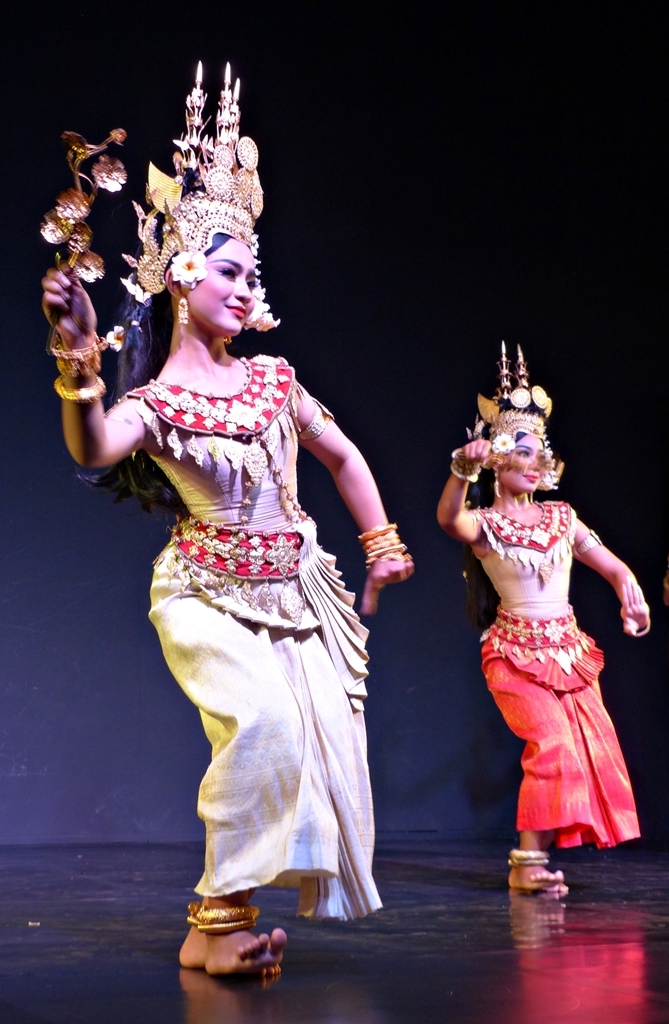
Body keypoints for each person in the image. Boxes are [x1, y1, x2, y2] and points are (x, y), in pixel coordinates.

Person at [41, 64, 413, 976]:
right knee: (264, 728)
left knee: (313, 735)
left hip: (295, 585)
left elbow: (343, 456)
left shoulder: (273, 379)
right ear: (180, 273)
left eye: (254, 272)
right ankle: (214, 922)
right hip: (204, 592)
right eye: (231, 270)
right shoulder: (161, 401)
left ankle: (222, 922)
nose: (248, 288)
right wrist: (81, 365)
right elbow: (94, 448)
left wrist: (380, 543)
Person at [436, 343, 648, 894]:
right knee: (552, 742)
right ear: (498, 459)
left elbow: (608, 563)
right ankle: (527, 864)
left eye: (540, 452)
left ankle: (539, 858)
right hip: (513, 655)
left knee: (585, 749)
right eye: (521, 451)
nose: (534, 462)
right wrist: (461, 470)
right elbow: (448, 519)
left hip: (570, 652)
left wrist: (631, 592)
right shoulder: (484, 525)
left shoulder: (561, 516)